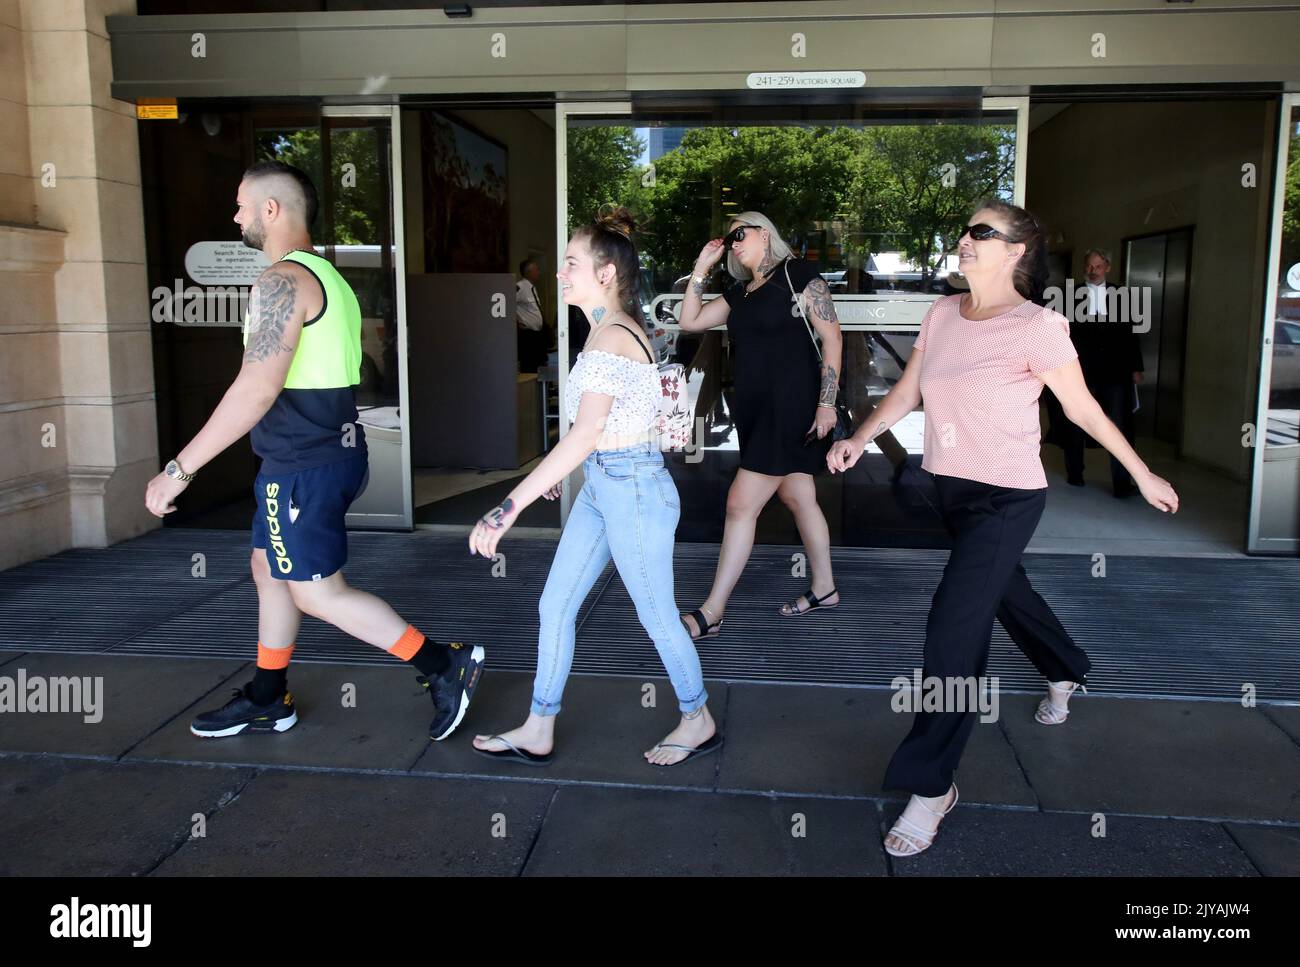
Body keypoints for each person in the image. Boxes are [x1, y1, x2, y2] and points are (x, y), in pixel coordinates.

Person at [827, 199, 1179, 857]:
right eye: (964, 230)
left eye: (980, 232)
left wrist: (1143, 472)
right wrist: (860, 436)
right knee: (1005, 592)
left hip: (1009, 499)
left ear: (1018, 250)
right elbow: (909, 392)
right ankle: (1065, 666)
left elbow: (1083, 411)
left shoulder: (1038, 326)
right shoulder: (941, 313)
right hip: (950, 491)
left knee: (953, 623)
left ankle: (933, 783)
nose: (964, 239)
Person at [144, 160, 484, 741]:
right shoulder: (326, 277)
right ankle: (268, 694)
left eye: (241, 204)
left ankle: (441, 665)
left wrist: (179, 469)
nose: (236, 215)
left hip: (305, 464)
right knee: (268, 569)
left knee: (316, 591)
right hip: (311, 458)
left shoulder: (279, 281)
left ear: (270, 210)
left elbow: (257, 387)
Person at [468, 207, 720, 768]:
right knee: (554, 604)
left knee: (656, 614)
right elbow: (600, 432)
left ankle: (697, 716)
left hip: (631, 489)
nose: (559, 274)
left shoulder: (610, 338)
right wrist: (567, 472)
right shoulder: (610, 329)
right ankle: (539, 725)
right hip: (608, 483)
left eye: (570, 263)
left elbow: (585, 435)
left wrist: (507, 508)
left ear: (605, 273)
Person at [675, 211, 844, 641]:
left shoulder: (798, 275)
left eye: (740, 234)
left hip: (790, 409)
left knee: (739, 504)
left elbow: (833, 338)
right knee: (798, 495)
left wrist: (827, 405)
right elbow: (690, 321)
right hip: (754, 412)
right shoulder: (740, 292)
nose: (734, 242)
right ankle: (825, 588)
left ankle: (713, 611)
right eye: (729, 238)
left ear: (764, 232)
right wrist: (700, 270)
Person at [1062, 247, 1145, 496]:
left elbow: (1132, 335)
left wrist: (1136, 368)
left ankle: (1122, 483)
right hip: (1081, 370)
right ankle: (1074, 474)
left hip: (1116, 371)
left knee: (1120, 426)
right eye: (1089, 266)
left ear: (1107, 267)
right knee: (1075, 420)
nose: (1093, 271)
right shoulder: (1070, 295)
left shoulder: (1122, 294)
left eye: (1098, 266)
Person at [516, 257, 548, 373]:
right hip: (528, 336)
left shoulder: (532, 288)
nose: (538, 272)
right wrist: (517, 320)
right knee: (530, 365)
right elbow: (507, 303)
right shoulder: (520, 287)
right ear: (528, 272)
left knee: (540, 364)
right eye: (536, 270)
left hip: (537, 335)